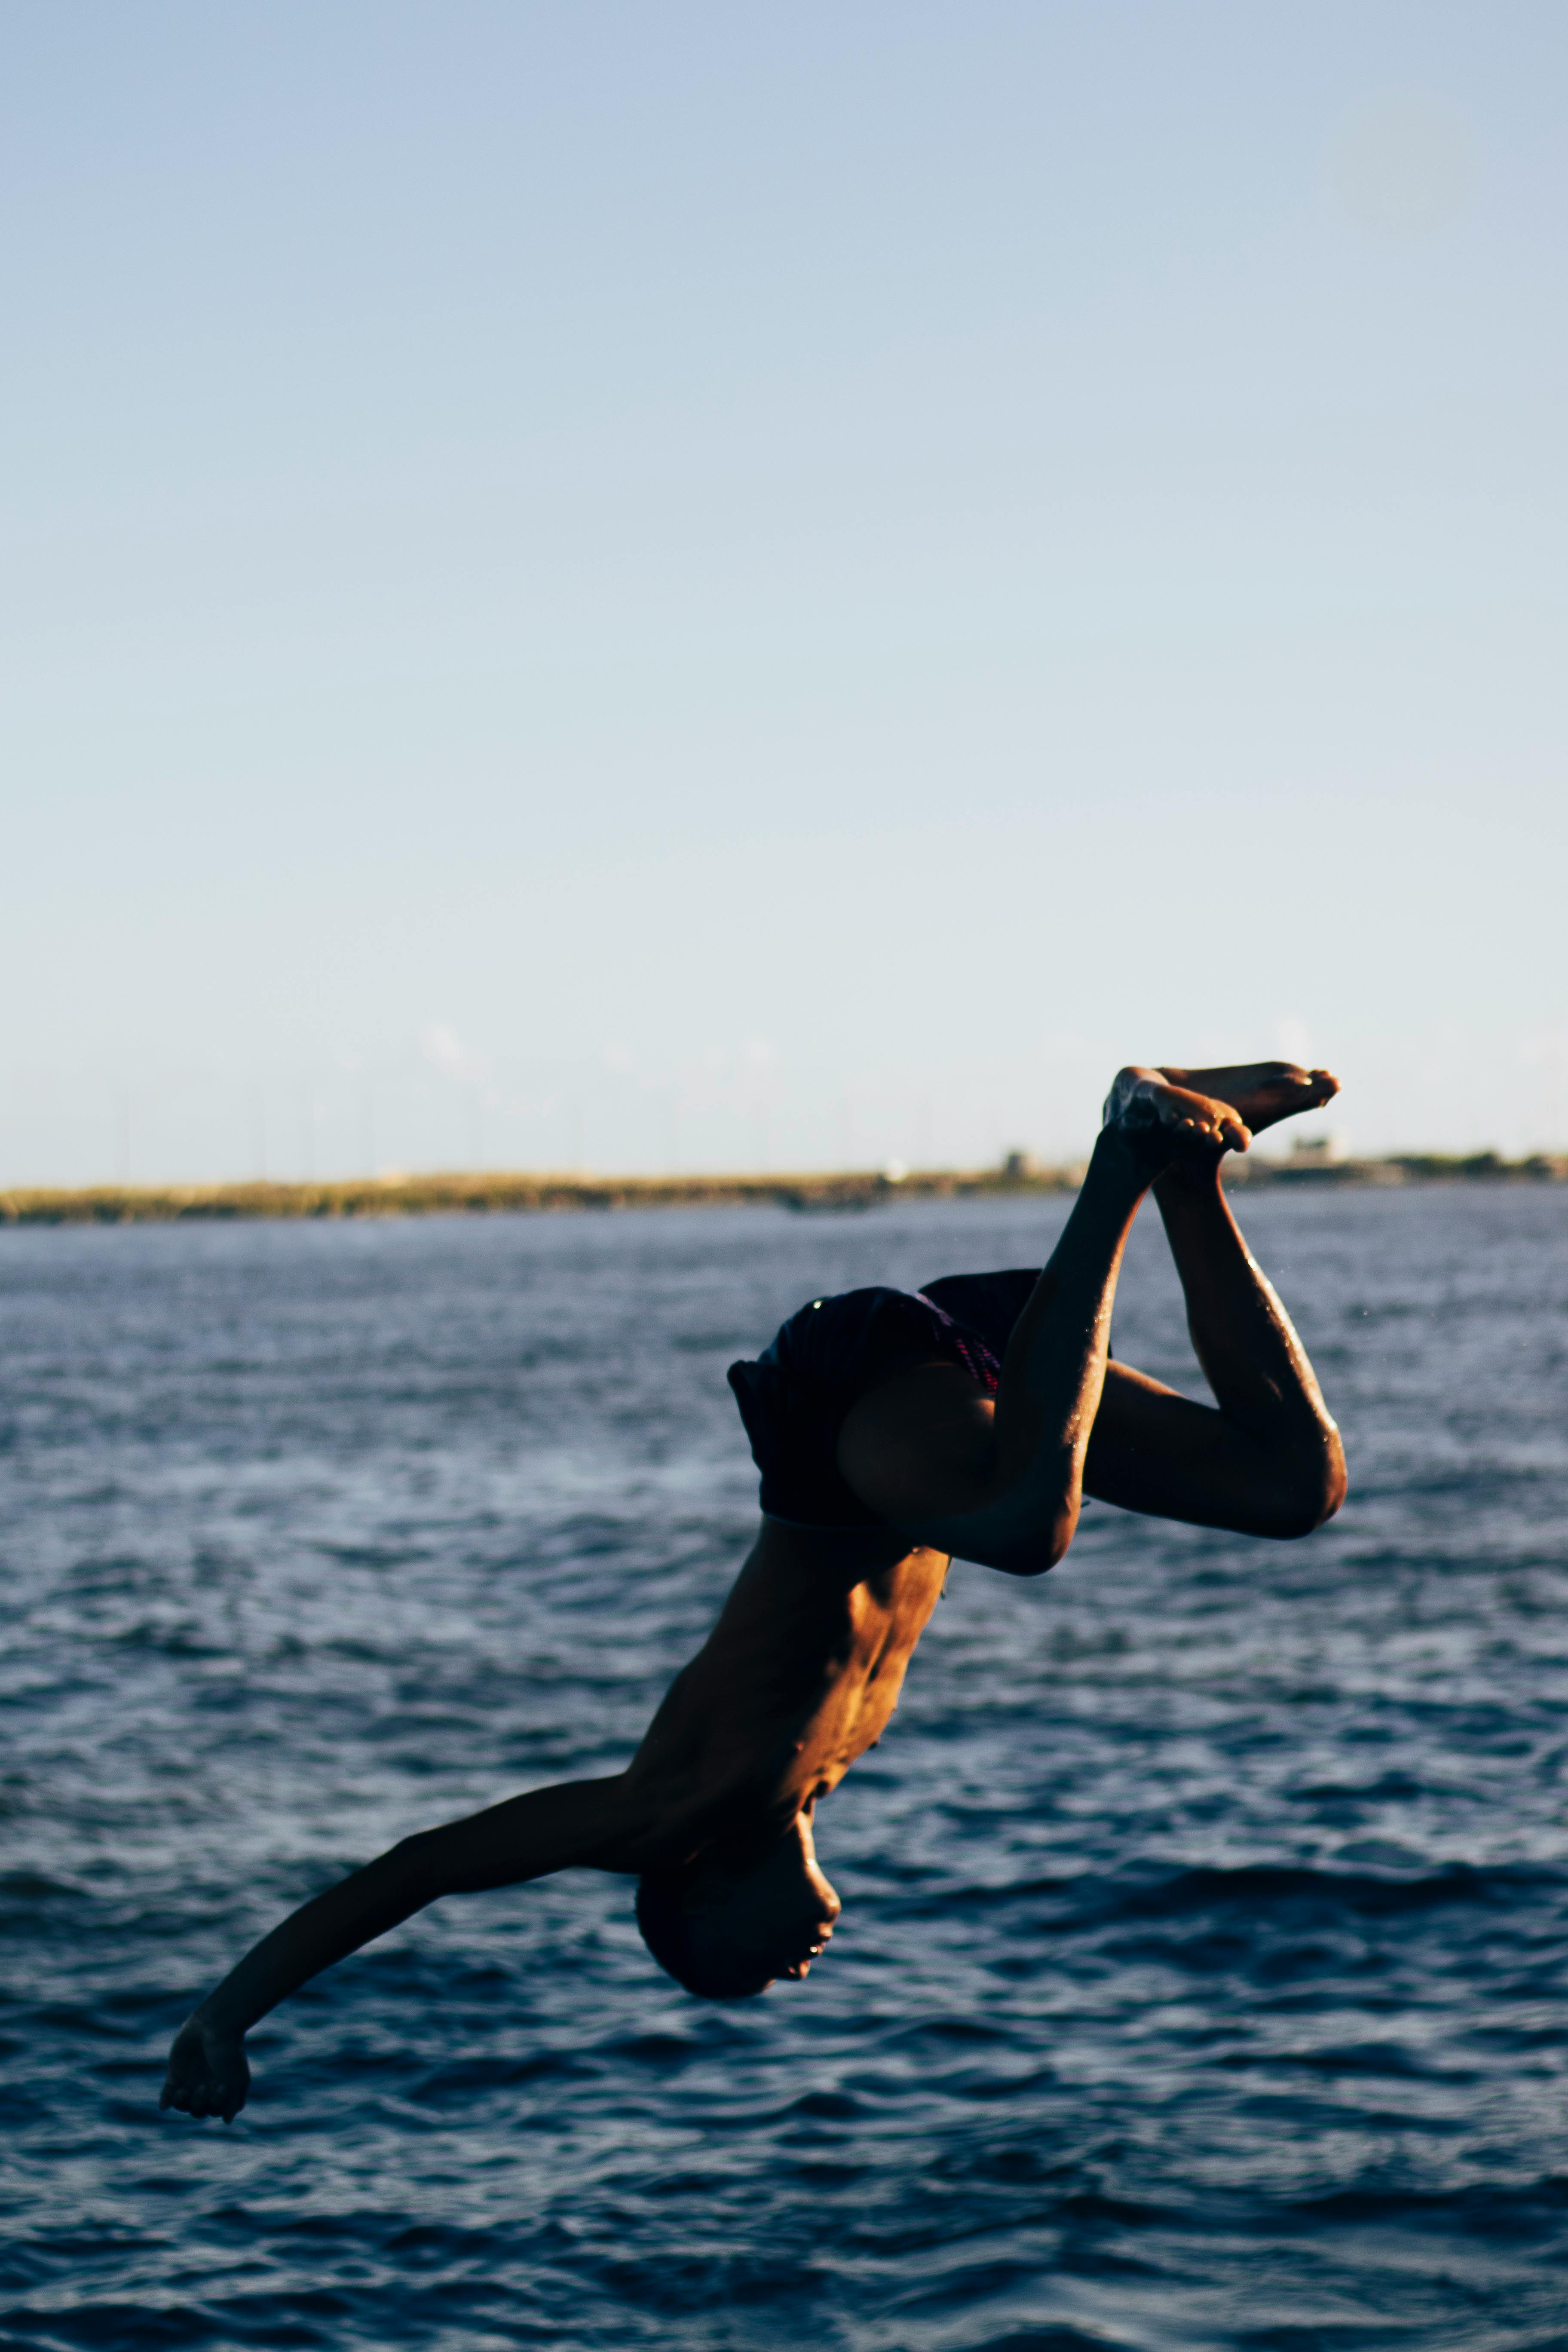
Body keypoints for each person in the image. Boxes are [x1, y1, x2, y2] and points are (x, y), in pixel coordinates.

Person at [161, 1061, 1346, 2122]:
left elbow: (420, 1867)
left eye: (749, 1970)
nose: (794, 1970)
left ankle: (1124, 1153)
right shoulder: (824, 1765)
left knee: (1027, 1528)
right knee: (1293, 1485)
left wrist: (225, 2016)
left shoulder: (669, 1810)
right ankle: (1189, 1166)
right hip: (963, 1398)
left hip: (839, 1421)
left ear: (699, 1895)